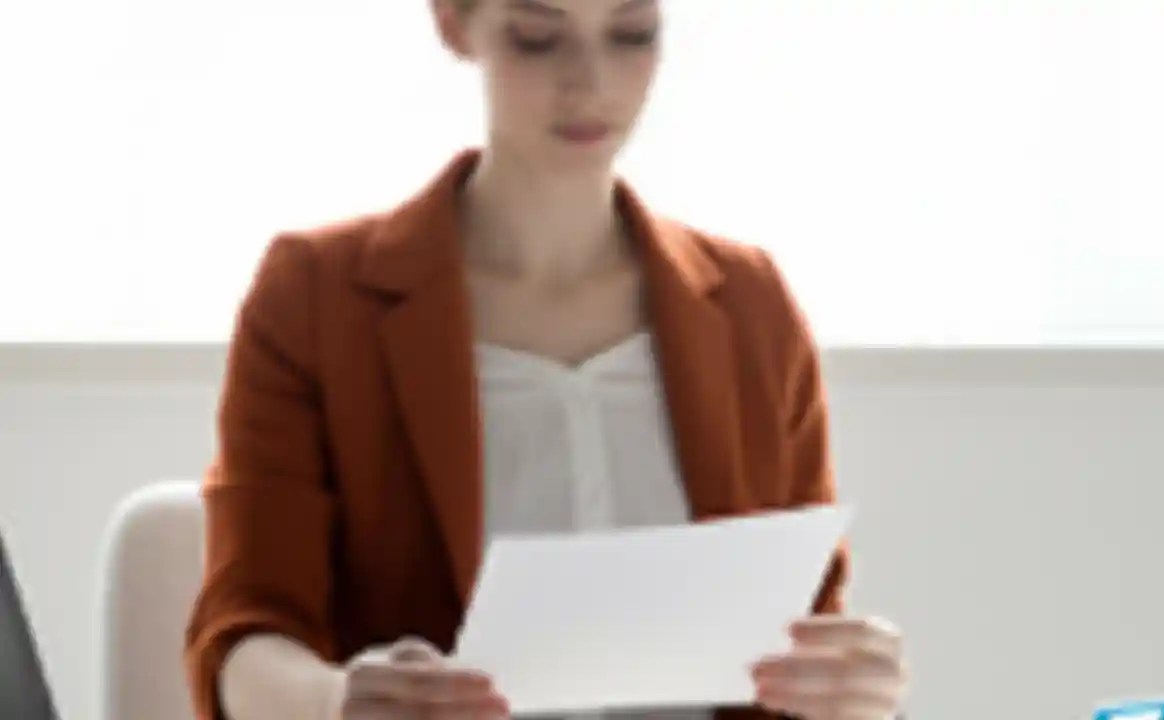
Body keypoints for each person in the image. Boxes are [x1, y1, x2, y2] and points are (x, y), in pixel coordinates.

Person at [183, 0, 909, 718]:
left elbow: (809, 627)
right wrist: (337, 699)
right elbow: (246, 637)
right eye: (537, 38)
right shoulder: (316, 297)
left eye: (631, 35)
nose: (589, 83)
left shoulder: (751, 305)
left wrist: (855, 688)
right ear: (453, 22)